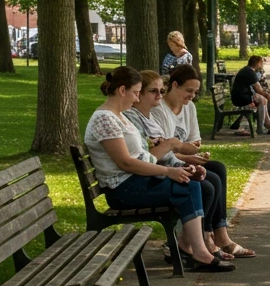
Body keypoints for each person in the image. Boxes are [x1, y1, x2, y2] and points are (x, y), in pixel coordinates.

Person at [83, 66, 233, 272]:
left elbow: (143, 155)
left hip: (134, 182)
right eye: (136, 93)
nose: (136, 99)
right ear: (122, 91)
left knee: (190, 182)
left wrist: (182, 167)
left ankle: (192, 248)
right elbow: (125, 163)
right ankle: (197, 251)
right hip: (123, 189)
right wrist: (168, 171)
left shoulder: (119, 116)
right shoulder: (105, 119)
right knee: (189, 187)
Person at [151, 65, 257, 258]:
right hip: (168, 163)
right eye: (188, 91)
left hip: (178, 158)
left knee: (218, 168)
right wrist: (187, 154)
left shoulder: (189, 107)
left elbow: (193, 142)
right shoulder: (160, 111)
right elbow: (167, 150)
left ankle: (221, 234)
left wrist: (190, 152)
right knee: (211, 180)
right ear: (175, 85)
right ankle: (206, 237)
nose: (192, 96)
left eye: (195, 92)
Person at [230, 56, 270, 135]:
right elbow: (259, 89)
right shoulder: (250, 72)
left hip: (241, 96)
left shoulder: (247, 70)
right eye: (261, 63)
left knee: (263, 99)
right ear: (257, 63)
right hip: (240, 98)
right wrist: (267, 96)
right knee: (263, 99)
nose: (262, 65)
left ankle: (268, 125)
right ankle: (262, 128)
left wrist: (265, 96)